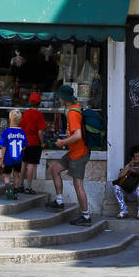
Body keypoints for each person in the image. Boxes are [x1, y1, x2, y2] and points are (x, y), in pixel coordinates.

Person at [49, 84, 91, 226]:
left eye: (59, 97)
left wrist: (62, 142)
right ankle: (59, 201)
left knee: (78, 185)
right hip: (74, 151)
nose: (58, 99)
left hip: (79, 153)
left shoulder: (73, 113)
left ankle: (86, 217)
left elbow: (78, 135)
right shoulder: (76, 107)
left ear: (63, 98)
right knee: (54, 170)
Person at [113, 145, 139, 219]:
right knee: (116, 187)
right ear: (133, 158)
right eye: (138, 156)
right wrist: (128, 168)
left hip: (138, 194)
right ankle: (123, 211)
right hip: (127, 192)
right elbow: (119, 177)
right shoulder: (129, 165)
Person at [19, 91, 47, 194]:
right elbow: (40, 132)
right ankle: (28, 187)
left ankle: (20, 185)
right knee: (31, 165)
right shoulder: (39, 115)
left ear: (30, 102)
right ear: (39, 103)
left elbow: (21, 127)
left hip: (24, 143)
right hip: (34, 143)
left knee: (23, 164)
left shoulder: (25, 113)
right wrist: (42, 142)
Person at [0, 108, 27, 201]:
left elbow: (4, 147)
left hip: (8, 158)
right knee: (16, 175)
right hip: (18, 158)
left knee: (6, 175)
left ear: (10, 119)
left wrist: (2, 159)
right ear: (20, 120)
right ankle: (15, 192)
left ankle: (8, 188)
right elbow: (24, 147)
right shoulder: (22, 132)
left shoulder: (6, 132)